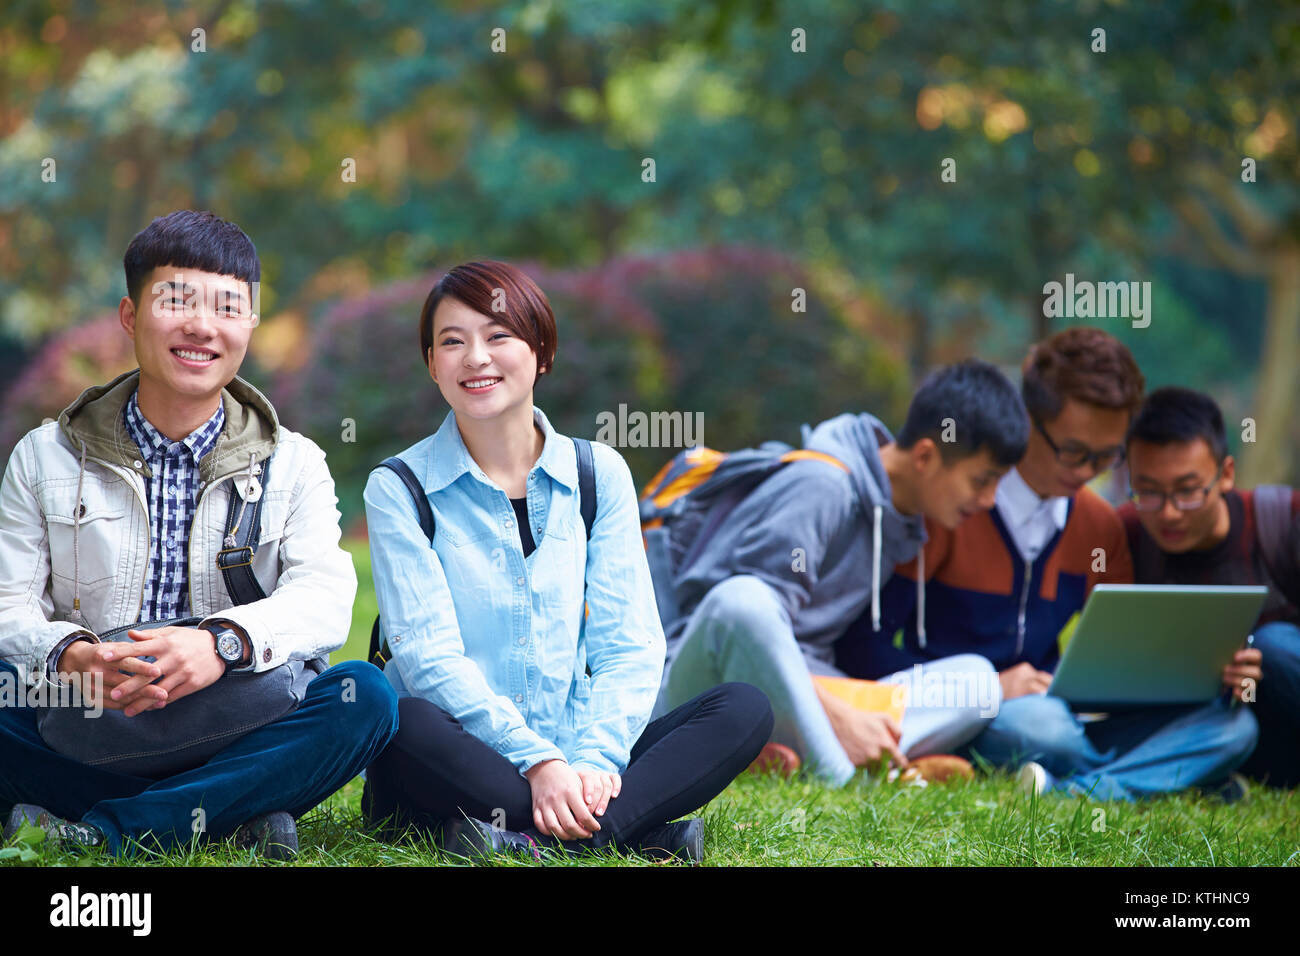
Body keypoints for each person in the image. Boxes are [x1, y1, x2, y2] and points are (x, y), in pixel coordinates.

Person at [0, 210, 398, 858]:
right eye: (177, 301)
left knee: (367, 698)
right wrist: (71, 654)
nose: (202, 326)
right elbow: (7, 605)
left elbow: (324, 598)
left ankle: (103, 829)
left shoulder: (295, 462)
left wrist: (222, 643)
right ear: (131, 315)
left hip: (238, 725)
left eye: (227, 307)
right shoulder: (46, 455)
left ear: (250, 322)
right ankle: (227, 811)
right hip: (87, 723)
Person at [361, 260, 772, 863]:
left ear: (542, 352)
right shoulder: (399, 487)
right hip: (453, 756)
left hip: (576, 755)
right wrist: (538, 762)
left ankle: (533, 840)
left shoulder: (597, 474)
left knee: (742, 709)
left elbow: (628, 644)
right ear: (432, 364)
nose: (476, 357)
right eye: (452, 342)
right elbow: (428, 659)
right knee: (404, 717)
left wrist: (595, 759)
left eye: (498, 335)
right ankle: (627, 833)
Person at [839, 327, 1258, 800]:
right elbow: (864, 649)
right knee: (1045, 731)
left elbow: (1123, 663)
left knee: (1234, 728)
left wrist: (1210, 674)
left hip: (1064, 713)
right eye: (1073, 452)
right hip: (977, 715)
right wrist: (989, 689)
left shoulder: (1099, 527)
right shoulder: (952, 504)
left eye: (1107, 456)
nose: (1087, 472)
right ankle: (1167, 776)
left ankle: (1075, 789)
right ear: (1027, 419)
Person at [653, 359, 1030, 786]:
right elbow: (735, 630)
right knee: (744, 601)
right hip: (695, 692)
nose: (989, 500)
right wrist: (840, 717)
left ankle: (777, 755)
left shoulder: (900, 520)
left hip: (802, 692)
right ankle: (846, 778)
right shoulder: (822, 486)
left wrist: (848, 711)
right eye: (982, 480)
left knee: (978, 682)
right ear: (926, 455)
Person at [1121, 386, 1299, 788]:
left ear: (1226, 474)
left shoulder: (1284, 522)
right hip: (1216, 732)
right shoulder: (1124, 537)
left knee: (1274, 647)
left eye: (1187, 491)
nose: (1169, 512)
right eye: (1148, 491)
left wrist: (1260, 664)